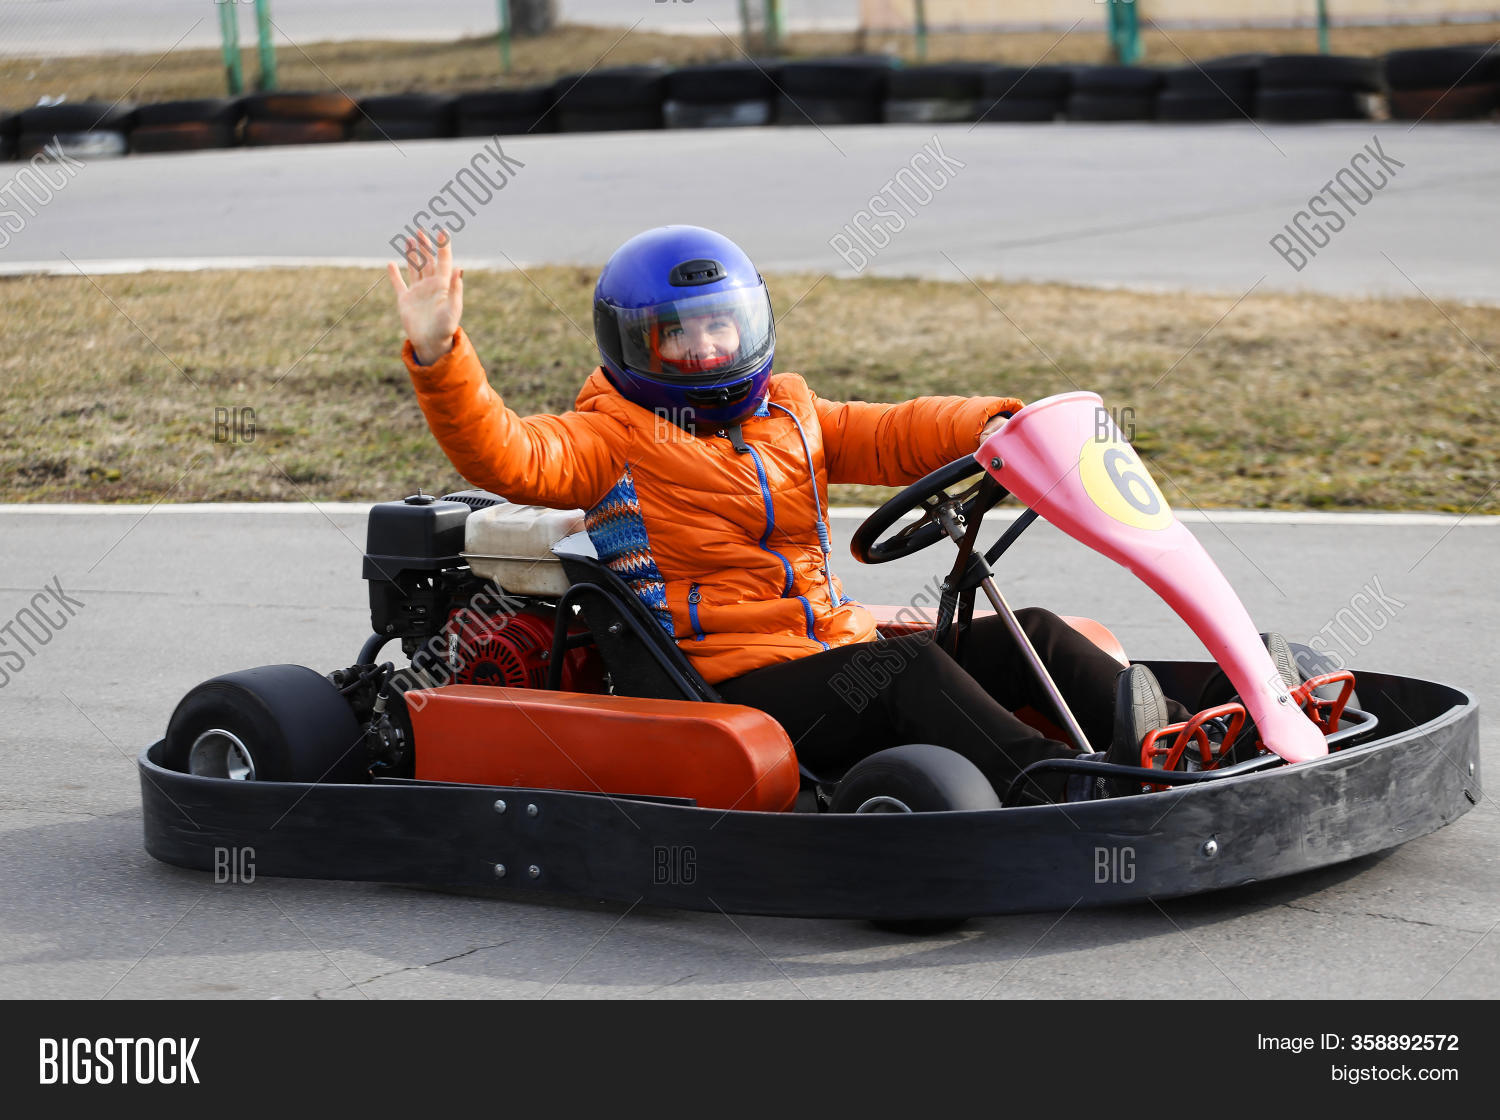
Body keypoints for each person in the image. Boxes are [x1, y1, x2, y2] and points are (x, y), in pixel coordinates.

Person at [386, 224, 1194, 804]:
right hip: (733, 684)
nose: (707, 349)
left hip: (830, 651)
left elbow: (893, 432)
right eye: (680, 337)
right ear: (634, 345)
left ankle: (1189, 742)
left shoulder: (789, 413)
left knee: (1036, 632)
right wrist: (439, 355)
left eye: (720, 325)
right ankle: (1065, 791)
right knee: (908, 670)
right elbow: (504, 455)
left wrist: (996, 427)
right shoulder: (609, 439)